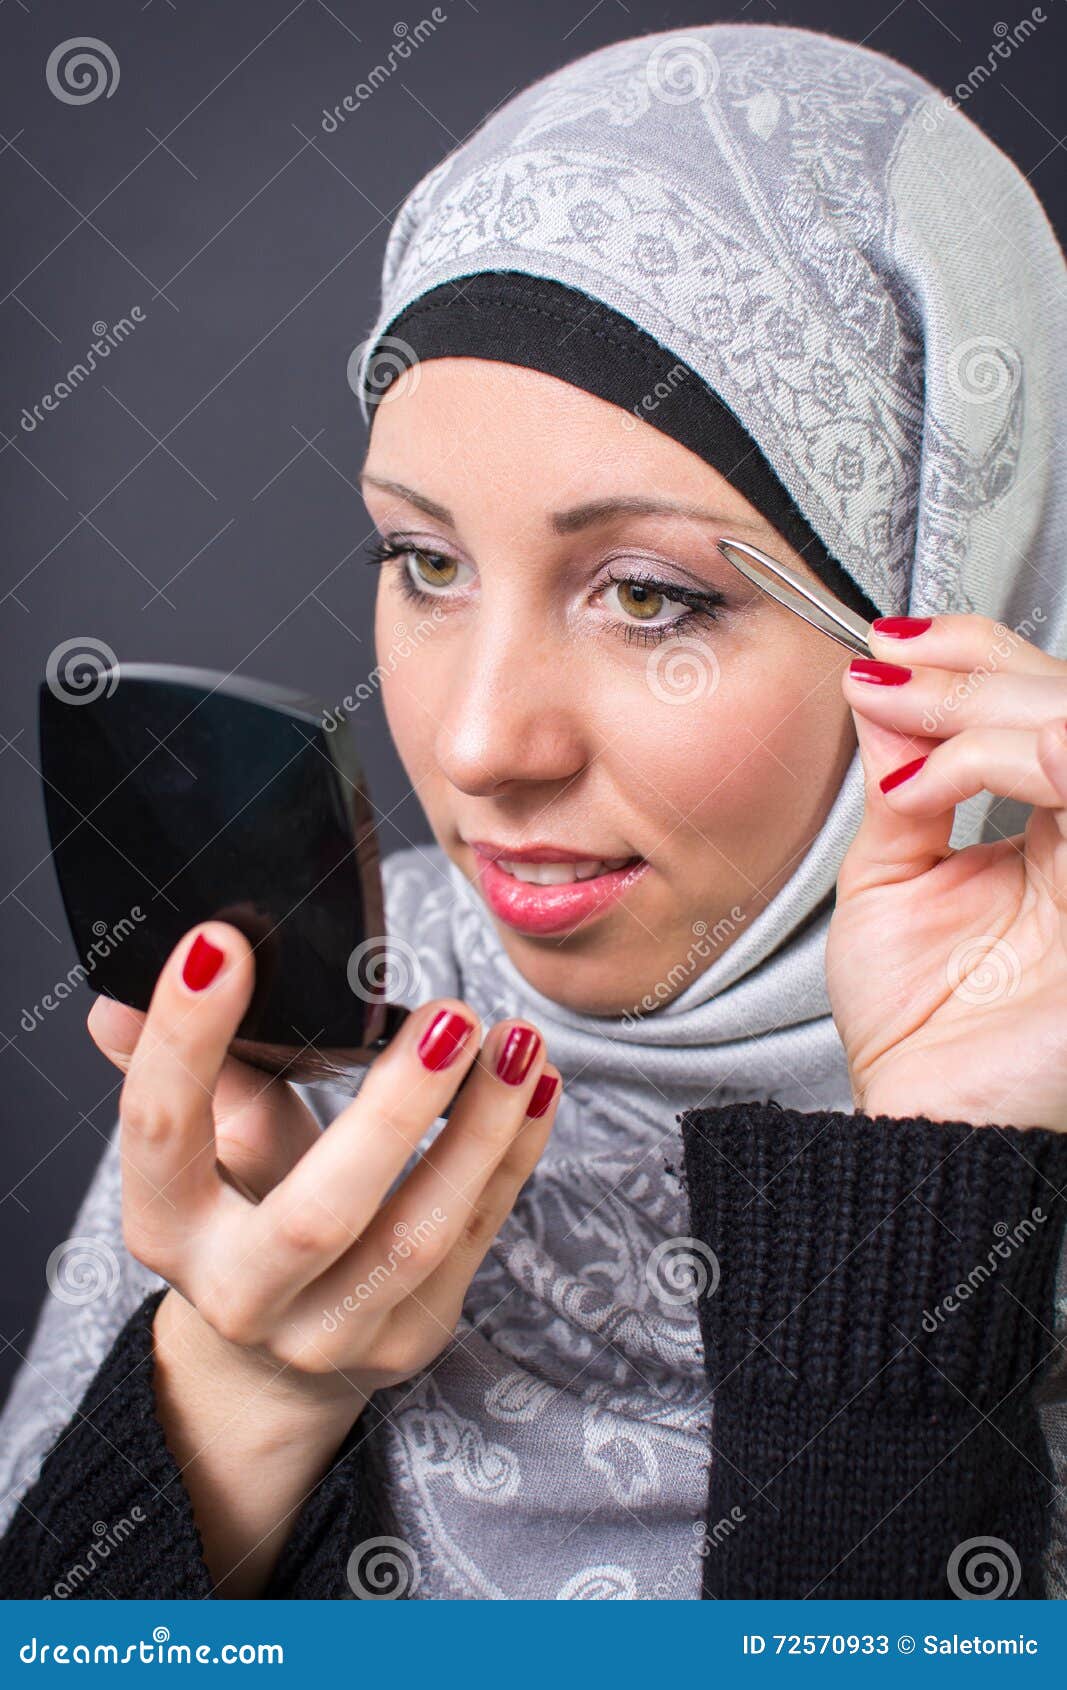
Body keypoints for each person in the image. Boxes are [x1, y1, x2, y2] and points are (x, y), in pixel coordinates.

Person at [3, 21, 1067, 1602]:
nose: (482, 744)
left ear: (936, 600)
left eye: (650, 593)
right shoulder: (355, 1027)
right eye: (423, 562)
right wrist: (247, 1385)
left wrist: (934, 1174)